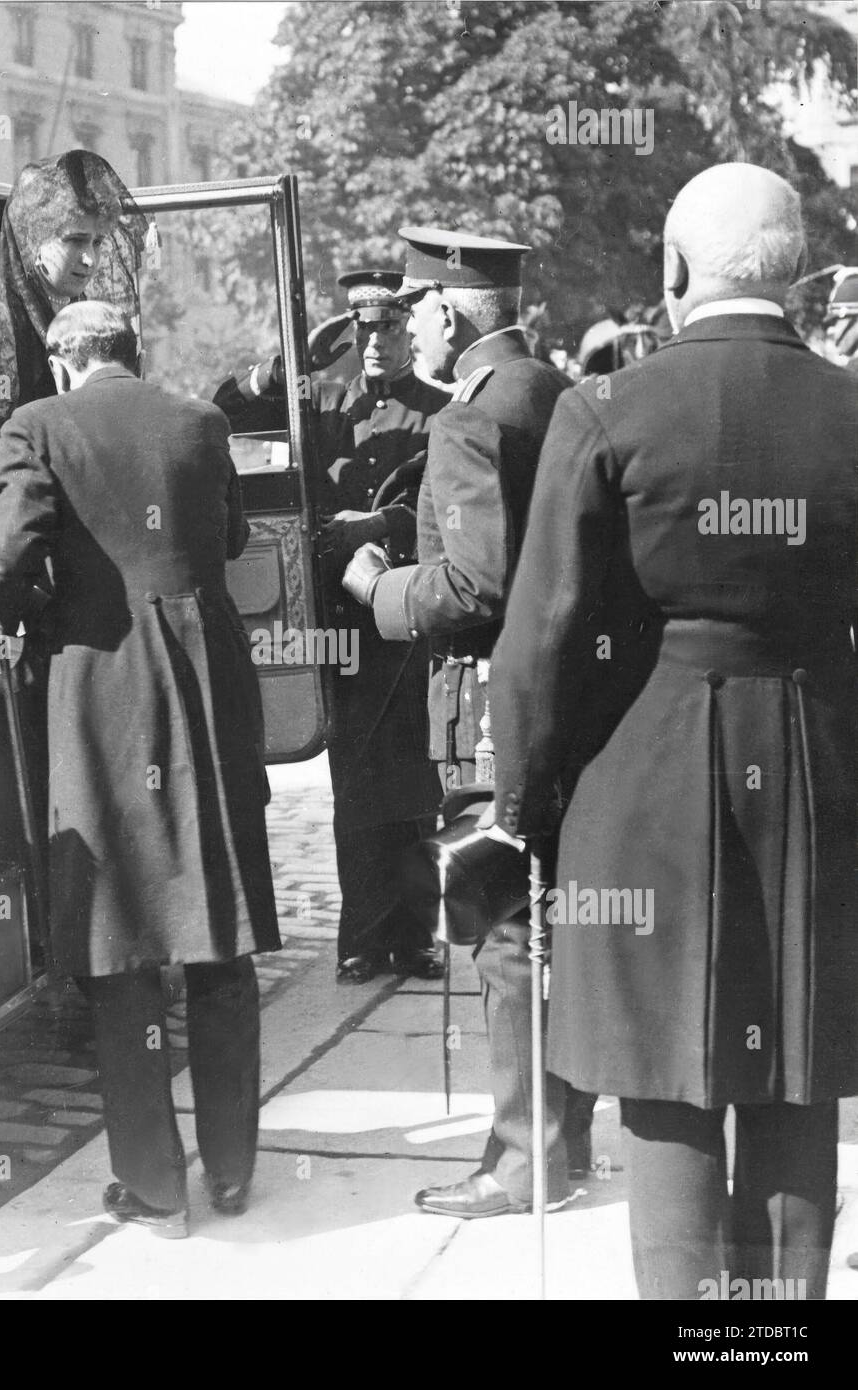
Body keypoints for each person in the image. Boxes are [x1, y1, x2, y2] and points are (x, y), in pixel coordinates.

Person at [488, 163, 858, 1300]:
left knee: (665, 1085)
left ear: (675, 268)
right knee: (796, 1078)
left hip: (645, 795)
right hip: (819, 773)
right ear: (793, 271)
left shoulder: (604, 409)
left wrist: (523, 808)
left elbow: (544, 632)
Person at [0, 302, 282, 1238]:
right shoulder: (200, 420)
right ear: (129, 354)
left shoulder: (40, 425)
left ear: (65, 361)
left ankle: (154, 1185)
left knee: (123, 941)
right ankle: (231, 1171)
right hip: (208, 679)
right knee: (216, 923)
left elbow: (3, 559)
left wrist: (32, 615)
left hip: (104, 683)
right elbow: (228, 539)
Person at [342, 227, 594, 1216]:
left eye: (414, 308)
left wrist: (382, 587)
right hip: (573, 702)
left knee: (502, 937)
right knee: (552, 929)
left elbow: (475, 585)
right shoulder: (560, 393)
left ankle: (523, 1167)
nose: (409, 325)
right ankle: (564, 1145)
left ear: (447, 313)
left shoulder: (469, 419)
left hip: (489, 707)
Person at [214, 270, 449, 983]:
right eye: (360, 329)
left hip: (405, 614)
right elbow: (224, 409)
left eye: (387, 327)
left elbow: (451, 509)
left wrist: (383, 524)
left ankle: (413, 938)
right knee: (354, 786)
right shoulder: (317, 403)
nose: (373, 342)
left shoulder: (438, 411)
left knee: (414, 788)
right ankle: (360, 938)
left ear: (411, 328)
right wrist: (288, 362)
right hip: (335, 624)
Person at [0, 149, 146, 862]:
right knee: (28, 727)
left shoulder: (83, 314)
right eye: (72, 240)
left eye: (94, 240)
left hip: (84, 530)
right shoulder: (0, 308)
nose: (87, 257)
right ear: (34, 237)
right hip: (21, 534)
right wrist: (47, 460)